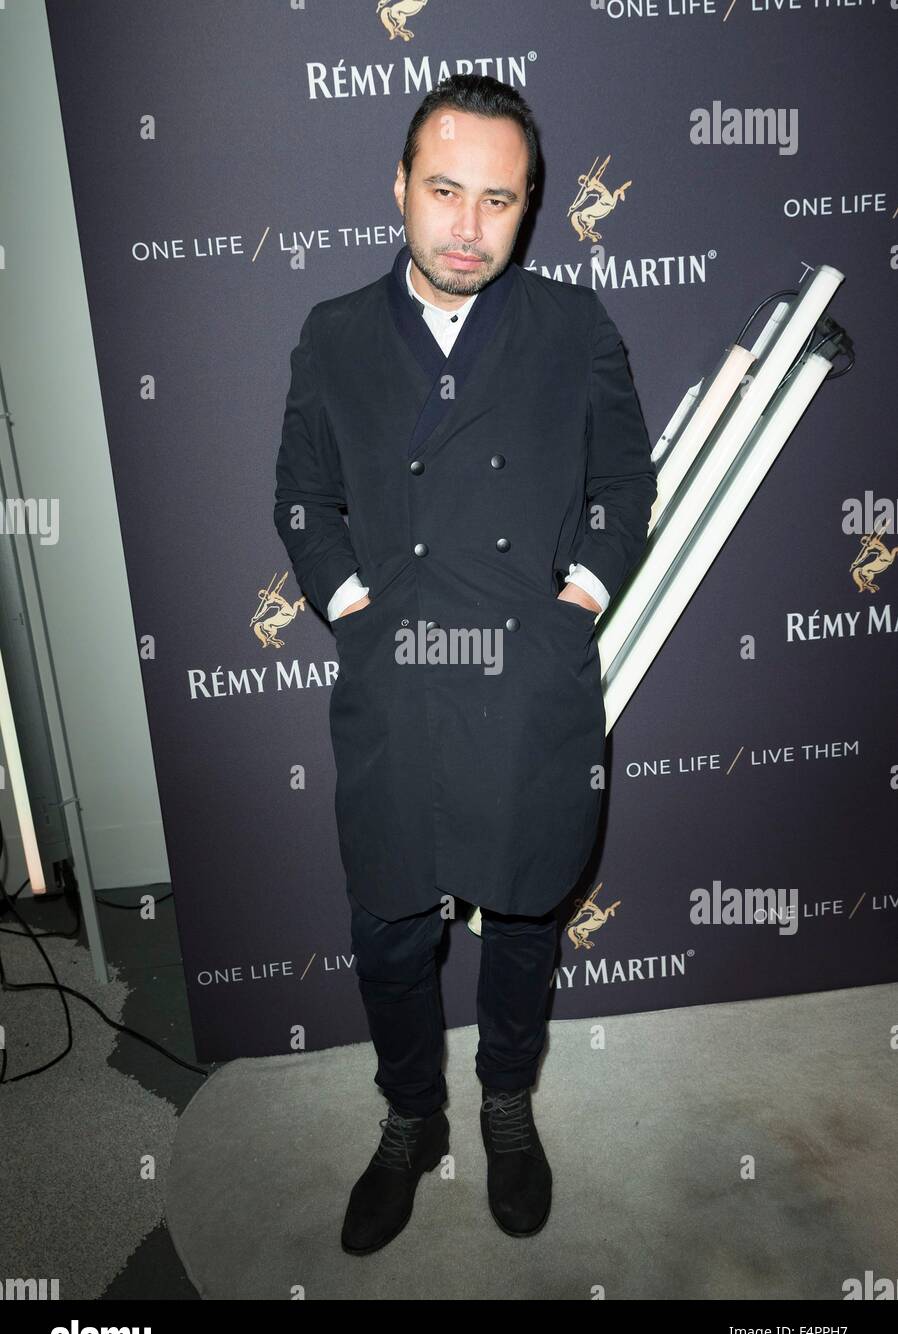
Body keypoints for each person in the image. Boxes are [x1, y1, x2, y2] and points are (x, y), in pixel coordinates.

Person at [274, 74, 657, 1255]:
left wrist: (576, 603)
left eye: (499, 199)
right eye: (444, 191)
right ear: (399, 188)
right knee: (390, 928)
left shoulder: (571, 324)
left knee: (528, 916)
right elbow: (302, 496)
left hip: (529, 686)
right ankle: (411, 1117)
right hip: (396, 688)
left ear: (527, 207)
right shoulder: (334, 333)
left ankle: (502, 1102)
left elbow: (622, 486)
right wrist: (352, 607)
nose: (467, 227)